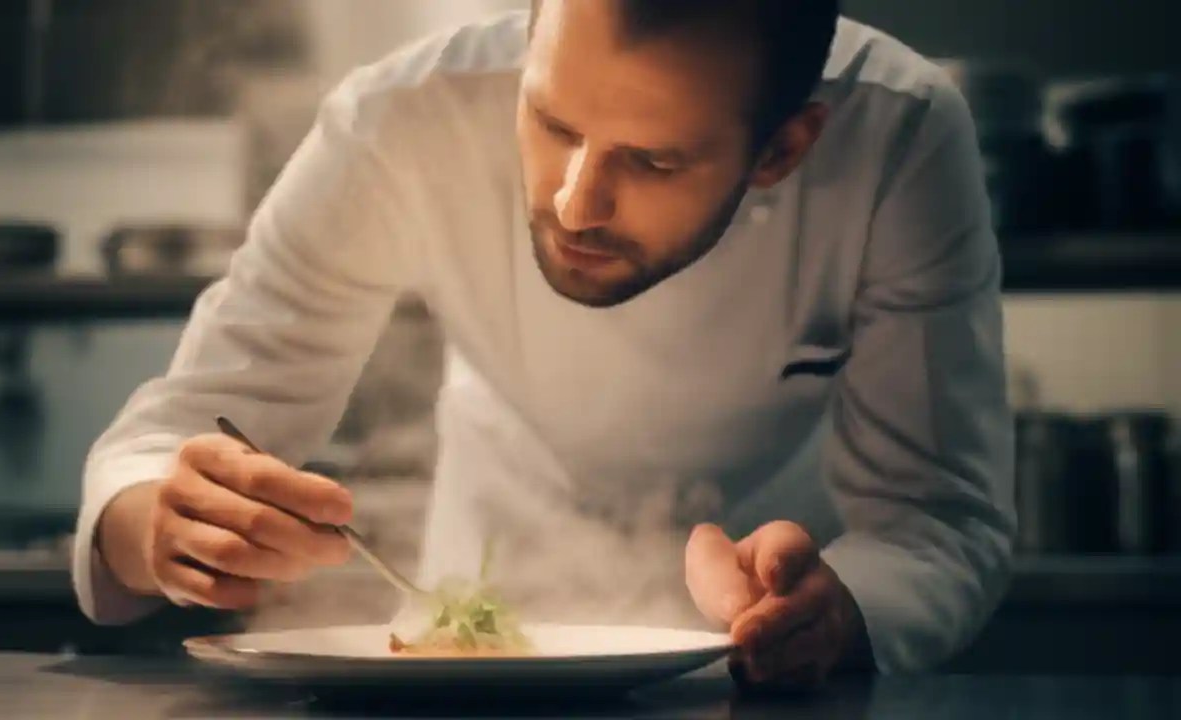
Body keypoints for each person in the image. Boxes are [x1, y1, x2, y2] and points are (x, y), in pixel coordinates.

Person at [74, 0, 1015, 689]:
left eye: (651, 161)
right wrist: (161, 521)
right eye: (553, 124)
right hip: (466, 667)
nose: (576, 204)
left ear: (783, 149)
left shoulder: (900, 134)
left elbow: (943, 516)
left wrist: (841, 609)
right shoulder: (401, 117)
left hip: (758, 676)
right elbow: (171, 434)